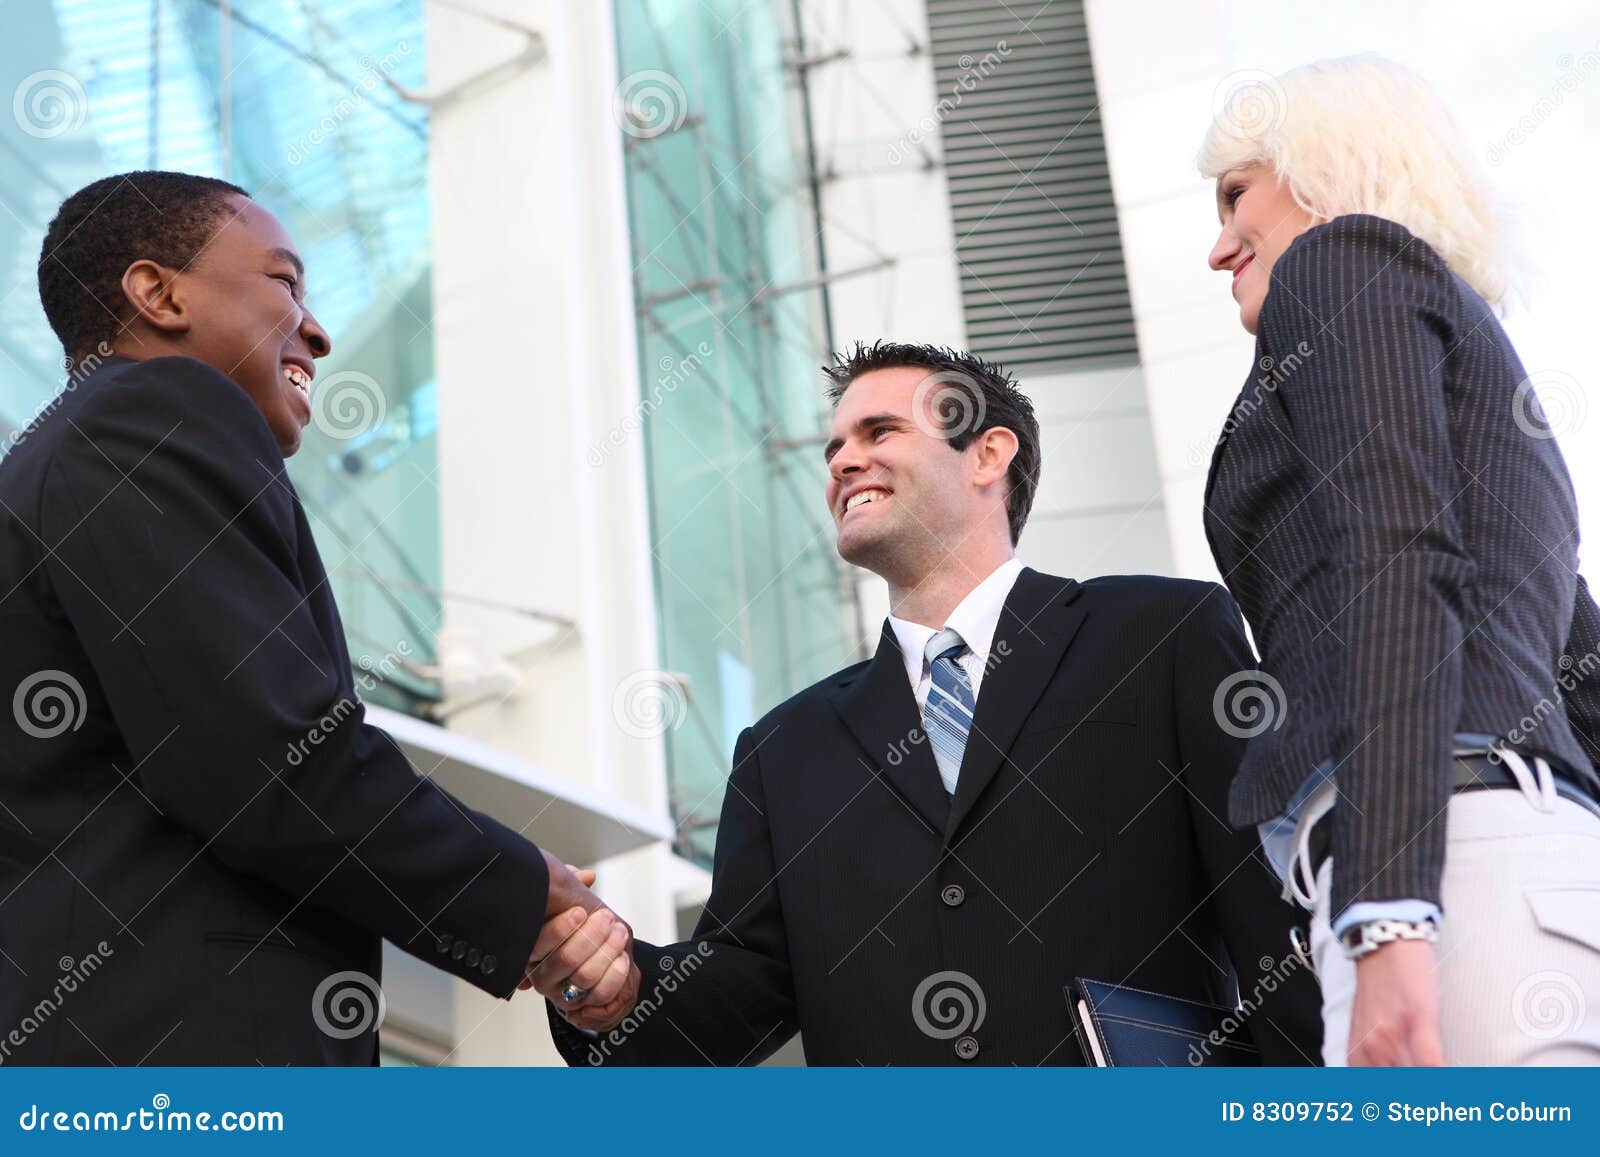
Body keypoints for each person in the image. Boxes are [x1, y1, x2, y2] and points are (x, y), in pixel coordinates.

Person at [530, 341, 1323, 1065]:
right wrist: (613, 982)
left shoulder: (1161, 635)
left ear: (988, 454)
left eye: (879, 432)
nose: (844, 461)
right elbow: (740, 989)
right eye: (834, 449)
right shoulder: (784, 749)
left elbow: (1272, 911)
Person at [0, 171, 633, 1064]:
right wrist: (532, 893)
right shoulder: (155, 415)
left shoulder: (50, 463)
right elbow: (272, 759)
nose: (319, 330)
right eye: (285, 282)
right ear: (159, 295)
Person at [1199, 55, 1600, 1065]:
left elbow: (1394, 560)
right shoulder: (1474, 371)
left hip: (1446, 873)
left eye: (1236, 194)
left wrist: (1385, 909)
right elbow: (1580, 668)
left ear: (1322, 164)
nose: (1218, 245)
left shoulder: (1336, 263)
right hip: (1518, 864)